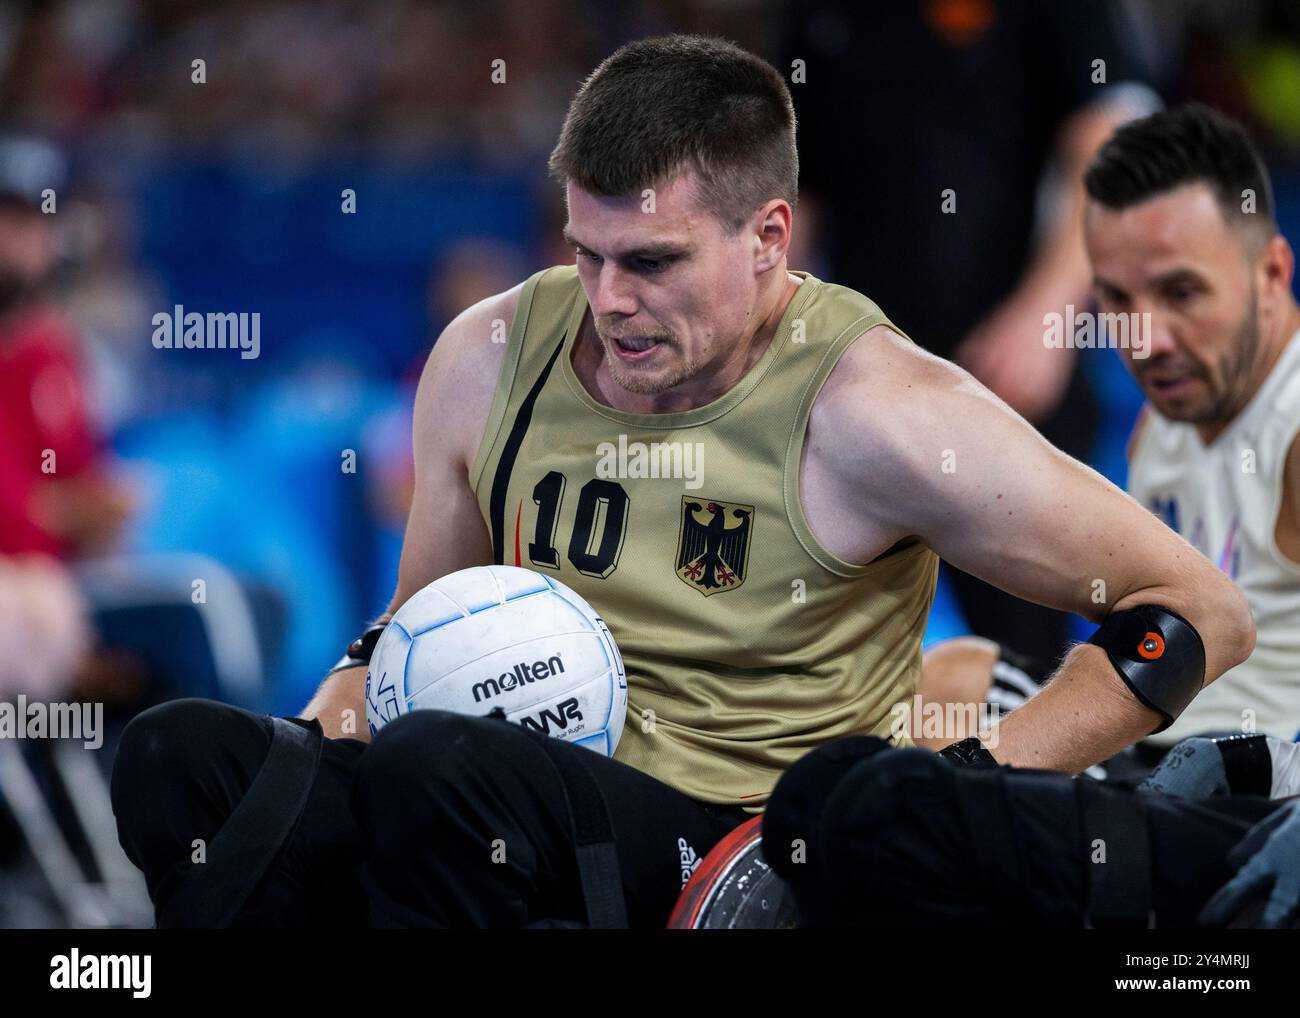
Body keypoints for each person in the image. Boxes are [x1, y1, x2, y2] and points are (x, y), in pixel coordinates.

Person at [112, 35, 1252, 929]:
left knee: (439, 771)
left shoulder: (882, 409)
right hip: (480, 786)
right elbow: (409, 636)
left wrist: (972, 784)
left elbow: (1196, 608)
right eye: (586, 254)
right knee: (182, 756)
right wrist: (308, 754)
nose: (609, 301)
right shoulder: (489, 355)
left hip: (728, 842)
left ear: (768, 238)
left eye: (652, 261)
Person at [922, 104, 1300, 775]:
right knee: (943, 688)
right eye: (1119, 300)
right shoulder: (1168, 415)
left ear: (1271, 273)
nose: (1145, 340)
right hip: (1150, 754)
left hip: (1250, 793)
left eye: (1181, 292)